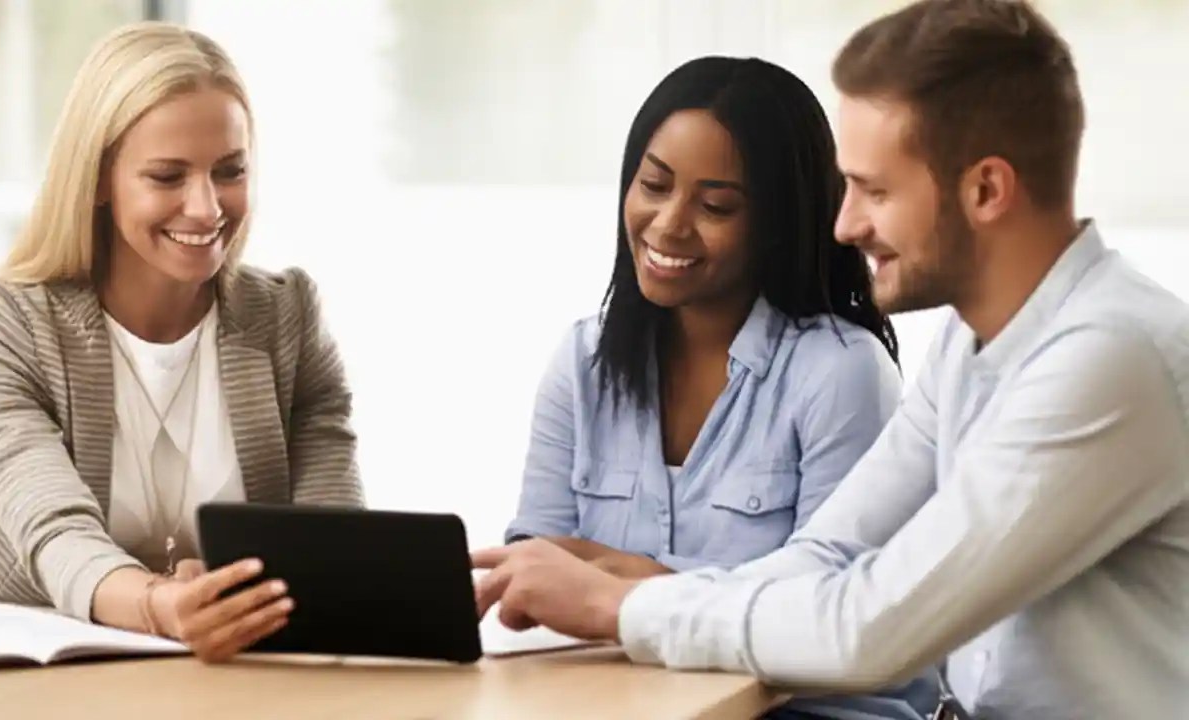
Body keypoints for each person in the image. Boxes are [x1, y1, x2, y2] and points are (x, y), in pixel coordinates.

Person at [472, 2, 1189, 719]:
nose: (845, 224)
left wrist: (622, 606)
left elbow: (868, 628)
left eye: (875, 190)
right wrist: (631, 597)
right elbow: (822, 557)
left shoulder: (1111, 359)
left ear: (985, 191)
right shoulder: (968, 351)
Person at [504, 56, 936, 718]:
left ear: (779, 222)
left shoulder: (840, 371)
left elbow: (830, 618)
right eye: (654, 185)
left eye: (715, 205)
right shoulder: (582, 361)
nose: (670, 224)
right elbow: (532, 581)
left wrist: (640, 585)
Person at [0, 22, 364, 663]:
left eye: (230, 171)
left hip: (214, 673)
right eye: (166, 176)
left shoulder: (286, 317)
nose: (207, 207)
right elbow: (55, 532)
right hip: (2, 666)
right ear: (98, 179)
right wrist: (161, 607)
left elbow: (332, 546)